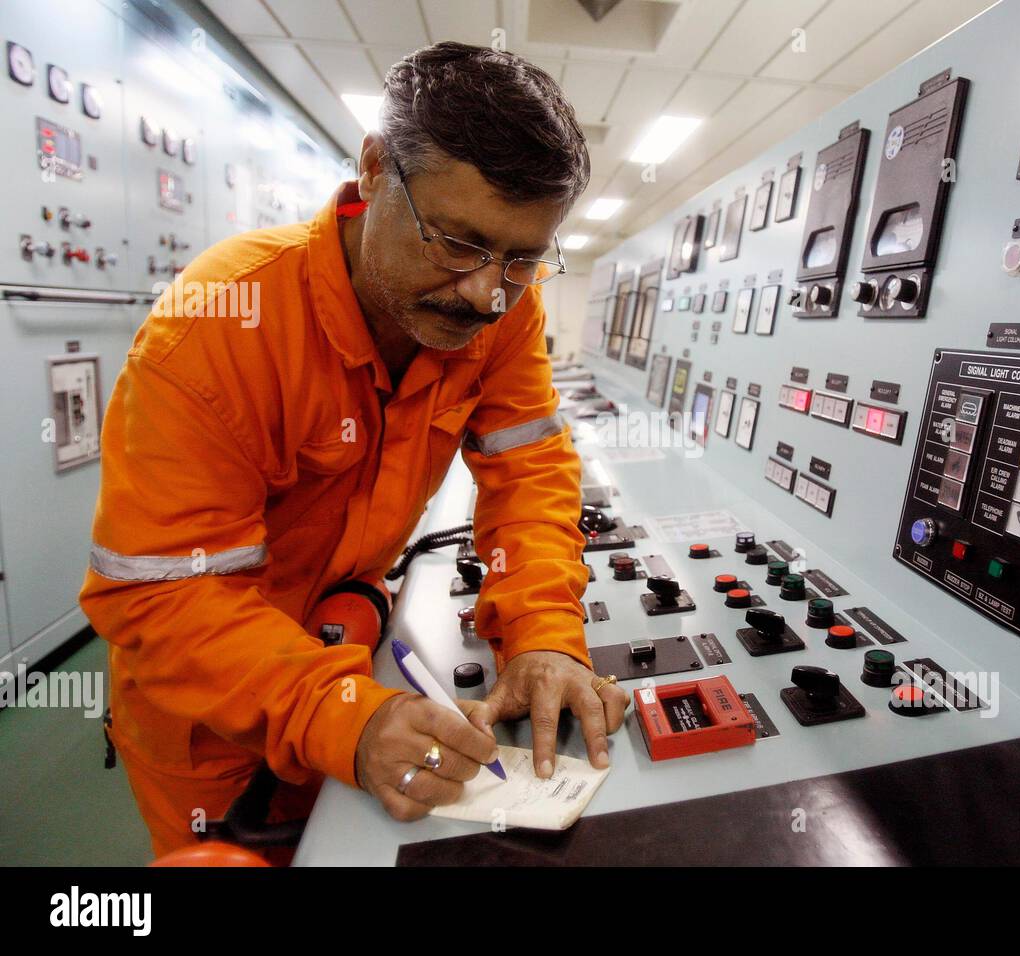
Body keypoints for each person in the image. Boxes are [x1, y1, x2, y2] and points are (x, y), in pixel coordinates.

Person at [80, 41, 630, 859]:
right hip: (215, 720)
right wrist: (342, 715)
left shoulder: (504, 309)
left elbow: (528, 472)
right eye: (459, 242)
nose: (488, 292)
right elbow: (160, 597)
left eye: (521, 258)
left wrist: (545, 631)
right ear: (375, 167)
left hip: (347, 645)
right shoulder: (217, 324)